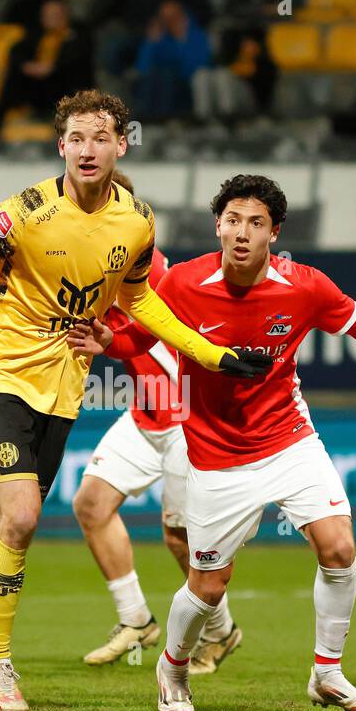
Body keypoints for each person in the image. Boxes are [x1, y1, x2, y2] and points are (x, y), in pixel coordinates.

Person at [0, 89, 270, 711]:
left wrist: (212, 354)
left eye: (100, 138)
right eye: (76, 138)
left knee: (2, 528)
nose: (87, 149)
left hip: (63, 385)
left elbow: (142, 303)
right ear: (61, 146)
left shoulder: (136, 220)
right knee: (21, 518)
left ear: (121, 144)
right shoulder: (21, 212)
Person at [96, 174, 356, 711]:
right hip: (214, 456)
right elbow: (141, 338)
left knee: (340, 549)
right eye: (232, 220)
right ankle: (173, 665)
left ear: (274, 233)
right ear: (218, 225)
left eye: (255, 223)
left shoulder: (303, 286)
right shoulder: (184, 282)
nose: (241, 232)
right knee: (208, 585)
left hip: (289, 440)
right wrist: (109, 342)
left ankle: (327, 673)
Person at [67, 173, 242, 675]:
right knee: (91, 505)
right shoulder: (88, 262)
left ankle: (221, 631)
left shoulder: (148, 264)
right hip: (144, 413)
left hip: (186, 418)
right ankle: (136, 621)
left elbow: (135, 334)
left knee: (180, 540)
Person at [0, 0, 92, 131]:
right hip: (37, 85)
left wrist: (53, 67)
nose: (52, 19)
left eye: (56, 15)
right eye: (48, 16)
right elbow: (16, 51)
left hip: (65, 83)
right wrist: (27, 66)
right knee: (14, 73)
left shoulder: (79, 33)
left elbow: (78, 56)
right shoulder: (36, 34)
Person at [134, 0, 211, 120]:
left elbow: (201, 66)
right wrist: (151, 42)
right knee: (157, 74)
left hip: (192, 82)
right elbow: (142, 68)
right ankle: (149, 119)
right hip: (163, 85)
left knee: (167, 75)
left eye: (174, 17)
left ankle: (162, 118)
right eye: (165, 19)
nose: (170, 22)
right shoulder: (161, 39)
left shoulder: (197, 36)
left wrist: (182, 39)